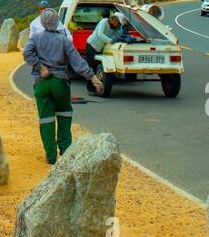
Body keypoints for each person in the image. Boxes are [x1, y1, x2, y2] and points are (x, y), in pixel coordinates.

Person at [23, 9, 102, 164]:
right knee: (64, 115)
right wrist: (93, 77)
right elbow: (77, 62)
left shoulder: (36, 38)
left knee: (46, 119)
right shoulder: (64, 40)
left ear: (42, 22)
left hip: (41, 83)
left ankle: (51, 155)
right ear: (57, 22)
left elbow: (26, 53)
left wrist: (40, 67)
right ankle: (65, 152)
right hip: (60, 82)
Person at [83, 12, 130, 95]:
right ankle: (90, 89)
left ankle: (96, 86)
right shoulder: (103, 22)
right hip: (91, 45)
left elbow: (117, 36)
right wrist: (111, 41)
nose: (117, 25)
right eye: (117, 23)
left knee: (98, 68)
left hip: (99, 48)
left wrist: (123, 38)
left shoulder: (114, 28)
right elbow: (100, 34)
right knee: (92, 68)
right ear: (112, 20)